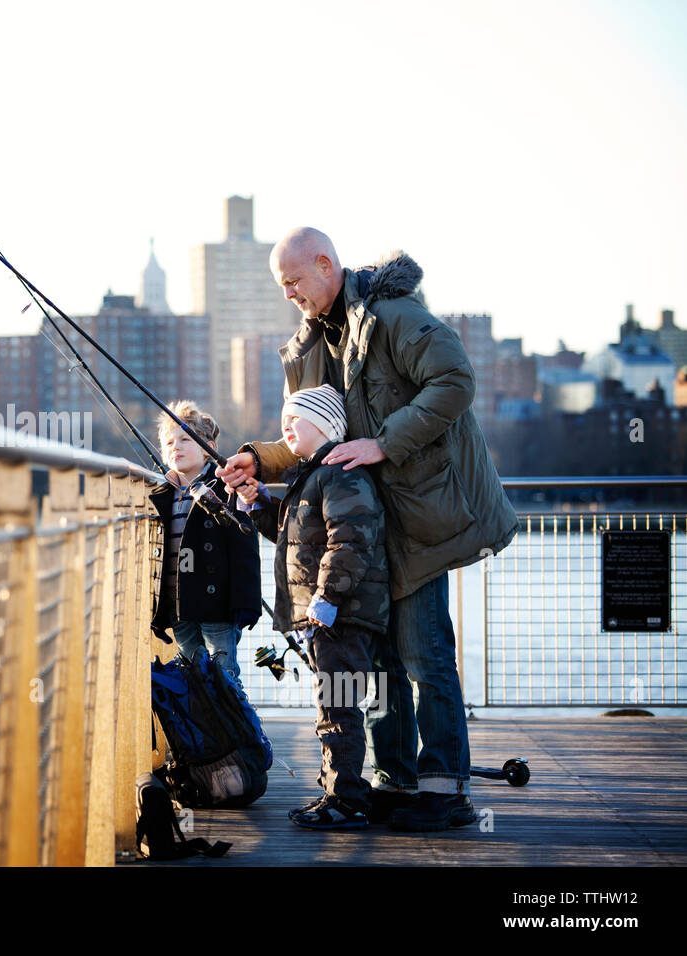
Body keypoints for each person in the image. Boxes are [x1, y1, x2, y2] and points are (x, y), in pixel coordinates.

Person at [216, 227, 518, 831]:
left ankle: (446, 791)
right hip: (371, 531)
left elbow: (456, 382)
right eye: (283, 287)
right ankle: (398, 780)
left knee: (424, 656)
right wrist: (260, 458)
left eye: (293, 282)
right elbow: (314, 437)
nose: (289, 296)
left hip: (421, 520)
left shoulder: (394, 316)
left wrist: (382, 444)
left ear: (325, 265)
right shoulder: (309, 346)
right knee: (379, 663)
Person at [238, 384, 389, 829]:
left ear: (325, 424)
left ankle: (346, 801)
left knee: (338, 706)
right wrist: (258, 505)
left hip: (342, 614)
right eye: (283, 417)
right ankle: (334, 793)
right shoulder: (310, 475)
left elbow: (350, 540)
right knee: (331, 705)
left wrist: (328, 598)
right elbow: (294, 541)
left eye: (295, 418)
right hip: (325, 615)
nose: (285, 425)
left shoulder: (340, 473)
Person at [148, 400, 260, 688]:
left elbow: (245, 549)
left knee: (224, 677)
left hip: (217, 604)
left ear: (208, 447)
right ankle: (204, 732)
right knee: (191, 677)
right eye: (170, 442)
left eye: (186, 439)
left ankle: (238, 731)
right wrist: (157, 611)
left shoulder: (225, 488)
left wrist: (246, 601)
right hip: (180, 604)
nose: (177, 446)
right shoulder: (162, 493)